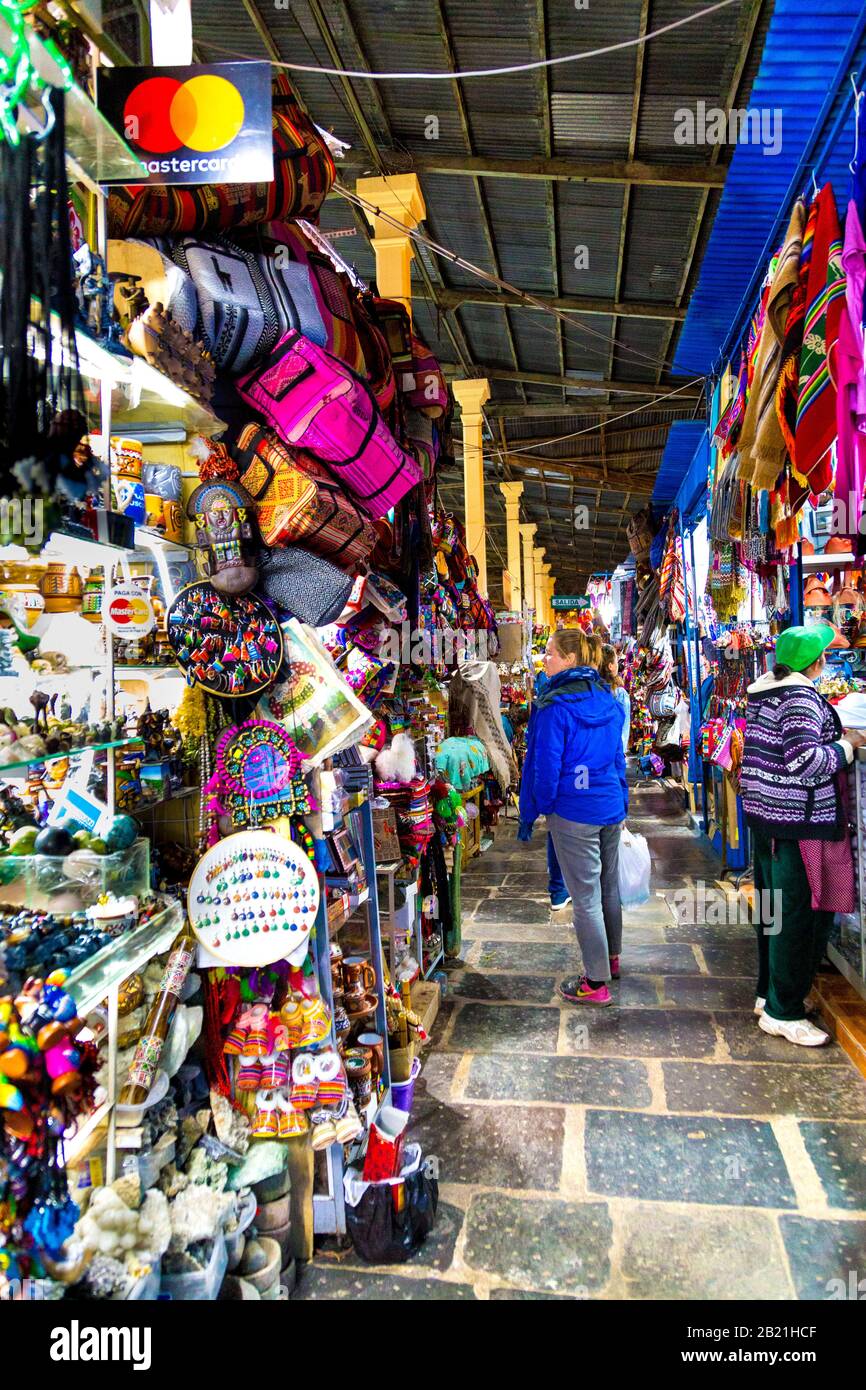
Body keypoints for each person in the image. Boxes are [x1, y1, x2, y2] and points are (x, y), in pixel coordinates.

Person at [740, 623, 866, 1046]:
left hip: (767, 819)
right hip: (795, 823)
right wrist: (847, 746)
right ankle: (783, 1012)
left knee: (773, 914)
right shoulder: (798, 698)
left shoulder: (764, 693)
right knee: (795, 918)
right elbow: (806, 761)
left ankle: (768, 994)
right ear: (815, 662)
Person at [519, 628, 628, 1004]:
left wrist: (544, 805)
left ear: (568, 660)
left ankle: (595, 983)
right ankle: (611, 959)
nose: (544, 659)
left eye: (549, 653)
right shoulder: (608, 699)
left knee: (584, 897)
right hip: (609, 806)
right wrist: (621, 798)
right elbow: (617, 759)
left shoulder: (554, 708)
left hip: (574, 811)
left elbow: (546, 767)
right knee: (607, 887)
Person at [600, 643, 630, 753]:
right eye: (616, 661)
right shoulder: (620, 694)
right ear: (610, 665)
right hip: (611, 757)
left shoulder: (590, 690)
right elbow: (623, 731)